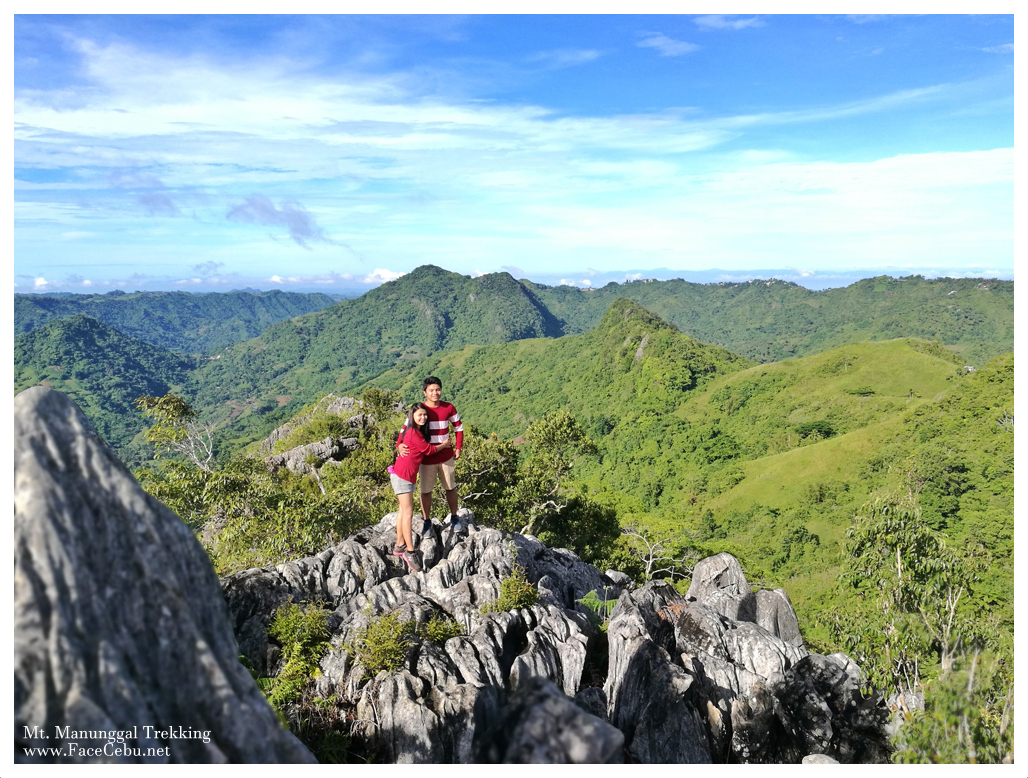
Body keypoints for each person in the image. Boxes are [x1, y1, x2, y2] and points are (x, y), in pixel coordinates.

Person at [396, 376, 464, 530]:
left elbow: (458, 428)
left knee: (450, 487)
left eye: (438, 389)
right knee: (426, 491)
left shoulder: (449, 408)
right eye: (431, 390)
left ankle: (454, 517)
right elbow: (404, 429)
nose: (435, 393)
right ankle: (427, 521)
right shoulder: (420, 410)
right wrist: (399, 445)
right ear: (424, 392)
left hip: (446, 456)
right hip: (426, 458)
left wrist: (458, 447)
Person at [390, 402, 451, 573]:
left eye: (425, 415)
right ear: (412, 417)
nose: (423, 418)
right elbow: (429, 450)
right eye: (419, 415)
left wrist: (399, 445)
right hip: (403, 476)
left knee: (403, 511)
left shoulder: (413, 431)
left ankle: (399, 545)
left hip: (403, 474)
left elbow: (401, 439)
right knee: (408, 513)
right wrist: (445, 445)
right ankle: (409, 552)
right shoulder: (413, 433)